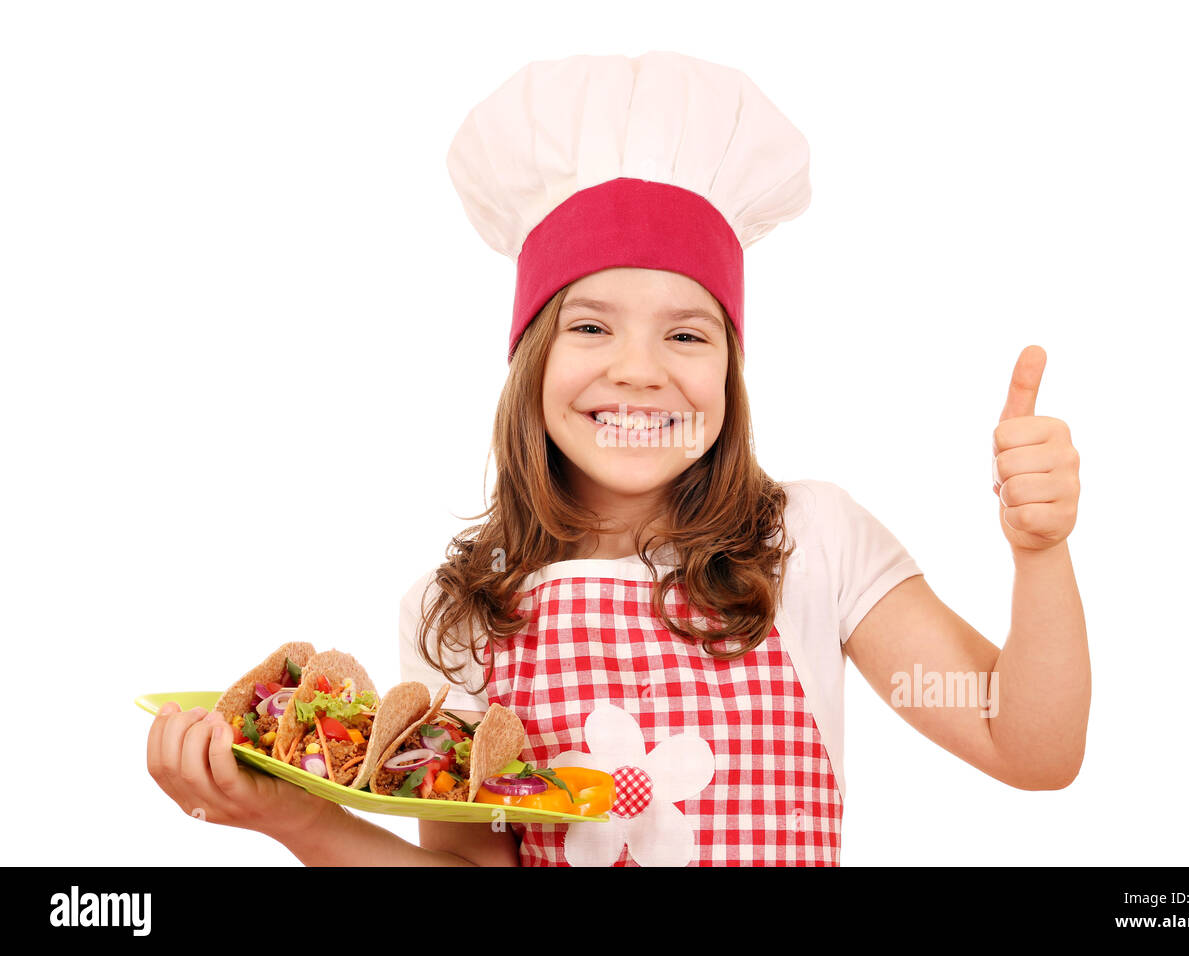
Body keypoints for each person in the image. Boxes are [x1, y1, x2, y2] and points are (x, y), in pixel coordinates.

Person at [147, 51, 1089, 867]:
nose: (640, 373)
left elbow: (1030, 745)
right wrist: (293, 817)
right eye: (591, 325)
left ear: (731, 369)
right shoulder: (460, 616)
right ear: (532, 360)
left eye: (687, 336)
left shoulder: (812, 543)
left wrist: (1040, 553)